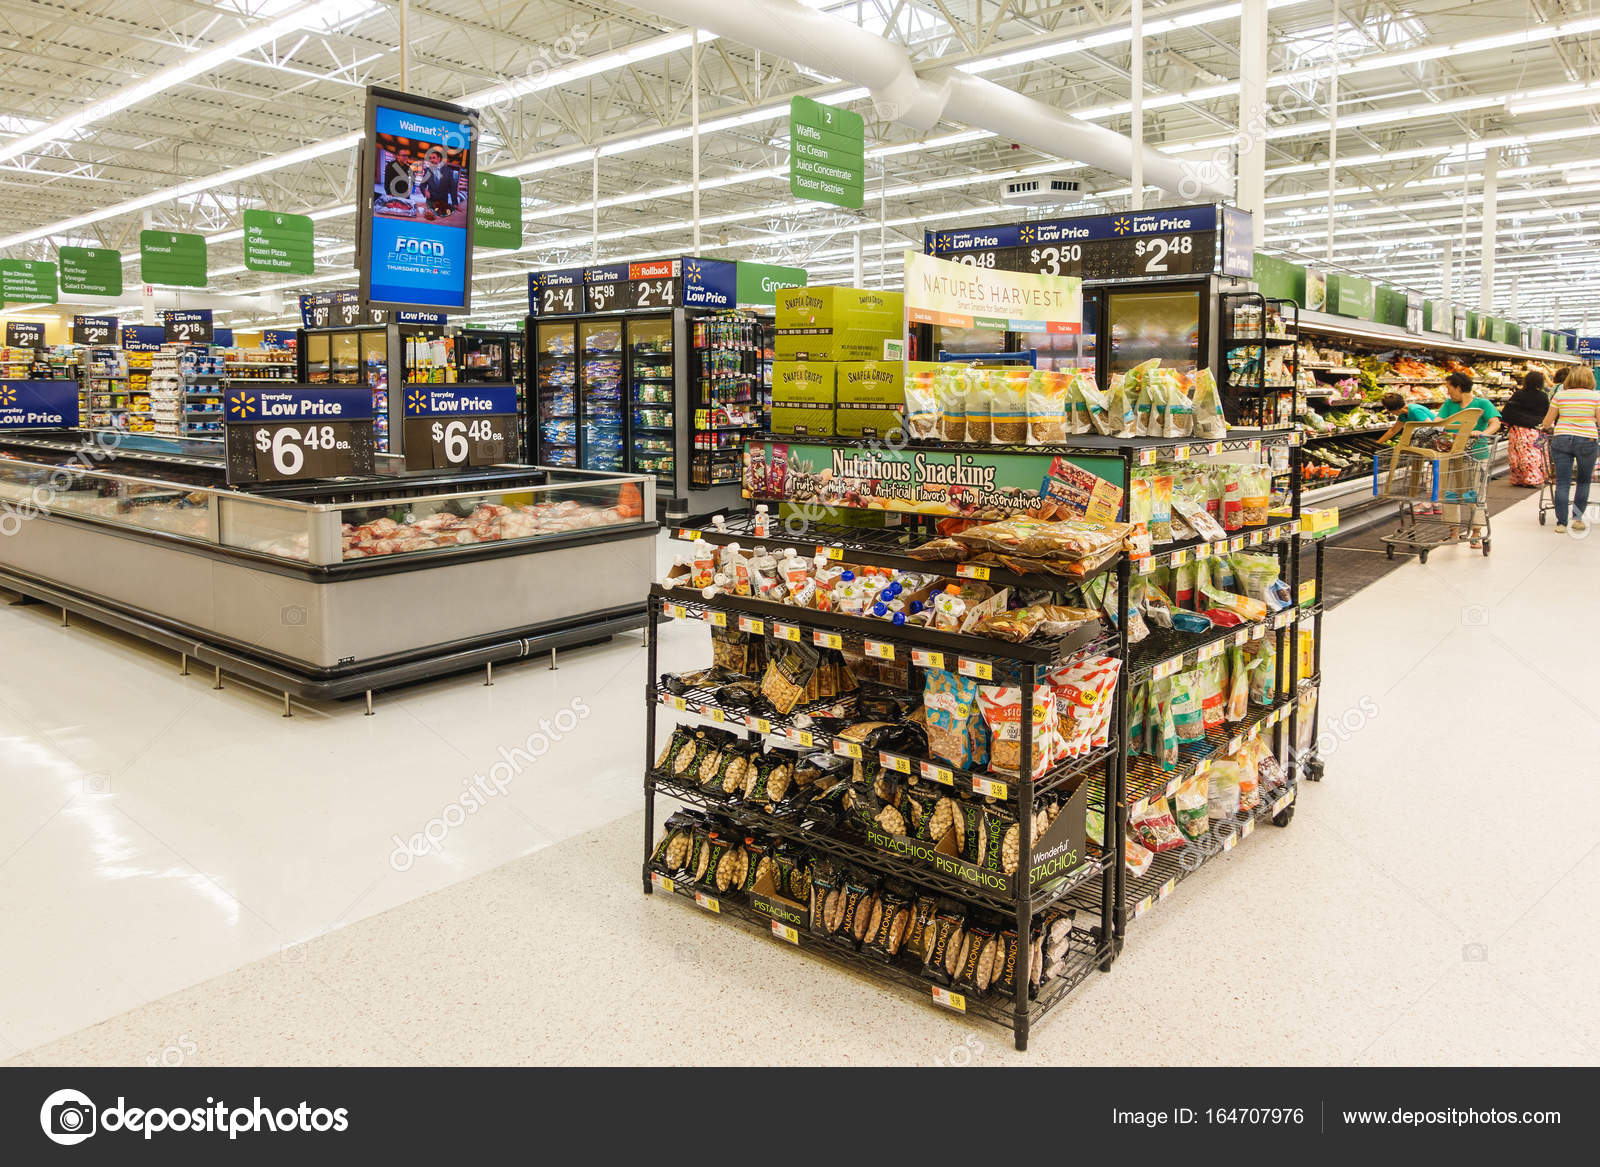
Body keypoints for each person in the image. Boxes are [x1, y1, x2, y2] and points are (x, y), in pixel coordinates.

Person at [1435, 371, 1501, 548]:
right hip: (1451, 454)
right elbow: (1438, 421)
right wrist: (1441, 428)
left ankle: (1476, 533)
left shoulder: (1482, 404)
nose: (1448, 393)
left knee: (1475, 494)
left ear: (1458, 387)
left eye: (1449, 388)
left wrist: (1483, 433)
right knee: (1449, 494)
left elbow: (1495, 423)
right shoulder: (1449, 404)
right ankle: (1453, 533)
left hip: (1476, 454)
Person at [1540, 365, 1600, 533]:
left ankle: (1561, 523)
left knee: (1563, 482)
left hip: (1562, 439)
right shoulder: (1595, 396)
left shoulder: (1560, 395)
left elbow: (1547, 422)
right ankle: (1577, 519)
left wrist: (1548, 427)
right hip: (1587, 440)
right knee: (1583, 481)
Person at [1500, 370, 1551, 487]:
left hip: (1518, 430)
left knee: (1517, 455)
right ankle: (1533, 478)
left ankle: (1518, 478)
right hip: (1537, 430)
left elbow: (1508, 411)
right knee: (1536, 454)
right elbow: (1546, 413)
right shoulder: (1543, 396)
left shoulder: (1518, 394)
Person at [417, 146, 460, 221]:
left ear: (439, 158)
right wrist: (424, 190)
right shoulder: (428, 171)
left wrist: (455, 203)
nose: (431, 160)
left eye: (433, 157)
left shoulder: (448, 171)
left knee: (441, 221)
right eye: (430, 158)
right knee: (429, 221)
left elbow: (453, 188)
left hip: (443, 204)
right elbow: (422, 185)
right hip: (430, 203)